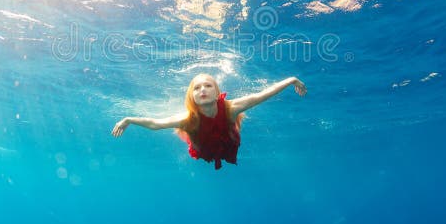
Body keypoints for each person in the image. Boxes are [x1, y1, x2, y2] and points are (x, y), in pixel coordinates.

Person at [111, 74, 307, 169]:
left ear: (217, 92)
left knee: (229, 152)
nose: (202, 90)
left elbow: (262, 95)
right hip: (203, 149)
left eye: (208, 86)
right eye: (196, 88)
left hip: (229, 143)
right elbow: (155, 124)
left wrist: (291, 80)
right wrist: (128, 119)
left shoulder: (232, 108)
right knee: (205, 153)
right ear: (191, 96)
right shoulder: (187, 119)